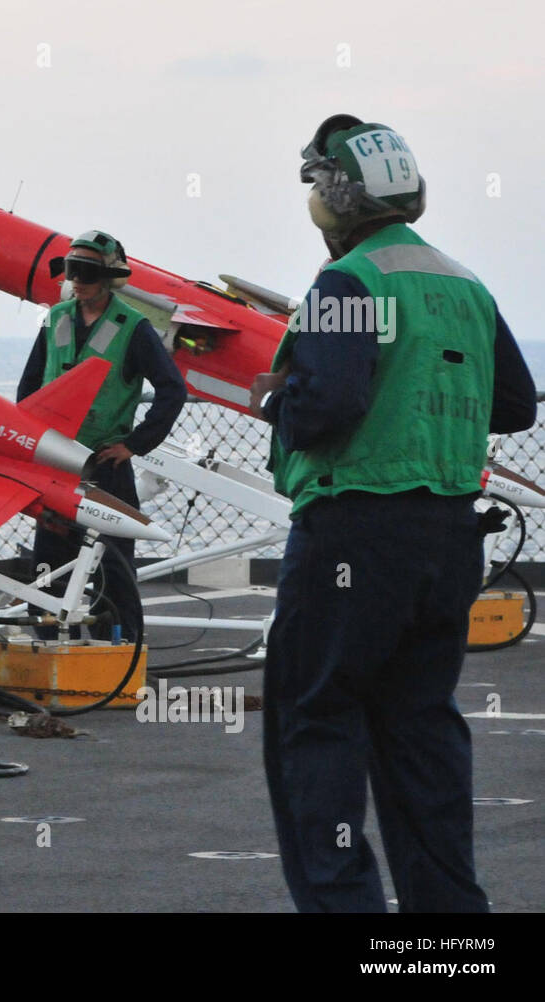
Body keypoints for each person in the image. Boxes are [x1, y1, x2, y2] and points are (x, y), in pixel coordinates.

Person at [251, 115, 537, 912]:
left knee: (318, 724)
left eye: (317, 184)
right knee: (422, 736)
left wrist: (284, 401)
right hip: (447, 541)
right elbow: (513, 403)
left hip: (353, 534)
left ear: (338, 195)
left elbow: (331, 403)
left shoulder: (351, 282)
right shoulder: (463, 284)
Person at [17, 230, 186, 642]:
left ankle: (122, 648)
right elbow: (29, 387)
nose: (78, 282)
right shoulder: (56, 319)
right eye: (73, 272)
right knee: (50, 564)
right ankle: (50, 650)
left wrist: (134, 445)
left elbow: (172, 389)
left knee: (115, 565)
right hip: (57, 463)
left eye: (87, 274)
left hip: (105, 465)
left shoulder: (134, 327)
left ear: (109, 277)